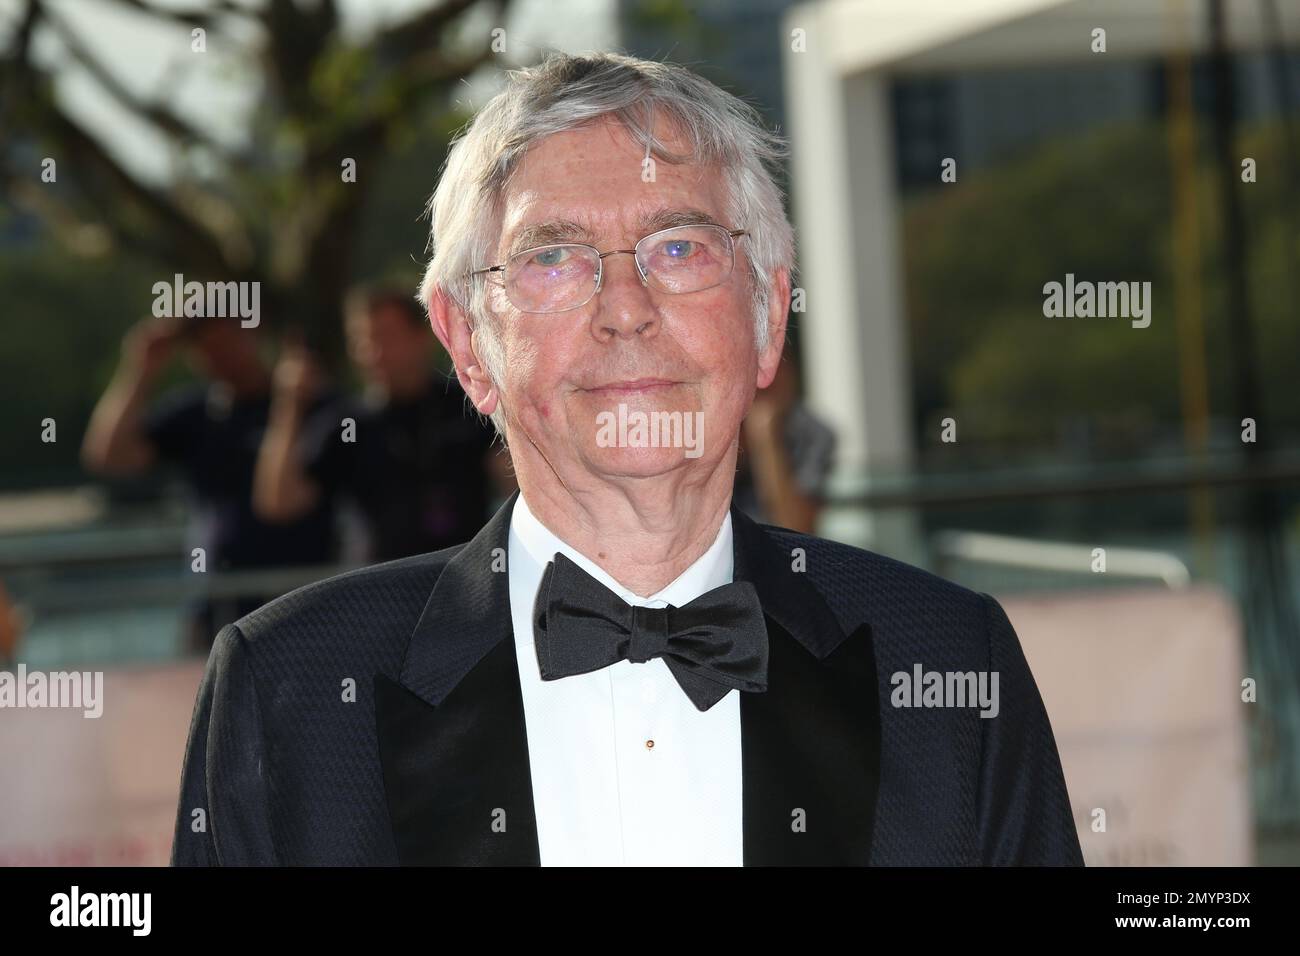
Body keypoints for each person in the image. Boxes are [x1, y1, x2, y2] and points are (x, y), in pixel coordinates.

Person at [171, 53, 1082, 866]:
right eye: (554, 259)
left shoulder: (952, 664)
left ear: (769, 318)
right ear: (470, 347)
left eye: (679, 248)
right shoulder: (284, 691)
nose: (625, 308)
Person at [82, 314, 338, 653]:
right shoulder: (197, 412)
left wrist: (290, 406)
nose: (218, 355)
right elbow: (108, 456)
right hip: (213, 608)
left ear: (255, 333)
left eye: (226, 340)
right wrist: (141, 369)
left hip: (302, 603)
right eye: (204, 347)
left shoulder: (314, 406)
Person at [253, 286, 504, 564]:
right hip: (382, 582)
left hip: (465, 573)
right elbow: (278, 503)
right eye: (362, 341)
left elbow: (515, 484)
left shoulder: (471, 403)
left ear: (425, 335)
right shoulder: (349, 425)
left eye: (387, 337)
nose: (373, 353)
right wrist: (289, 405)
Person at [734, 347, 836, 533]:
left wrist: (767, 442)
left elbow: (796, 527)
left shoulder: (812, 433)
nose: (764, 382)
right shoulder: (711, 424)